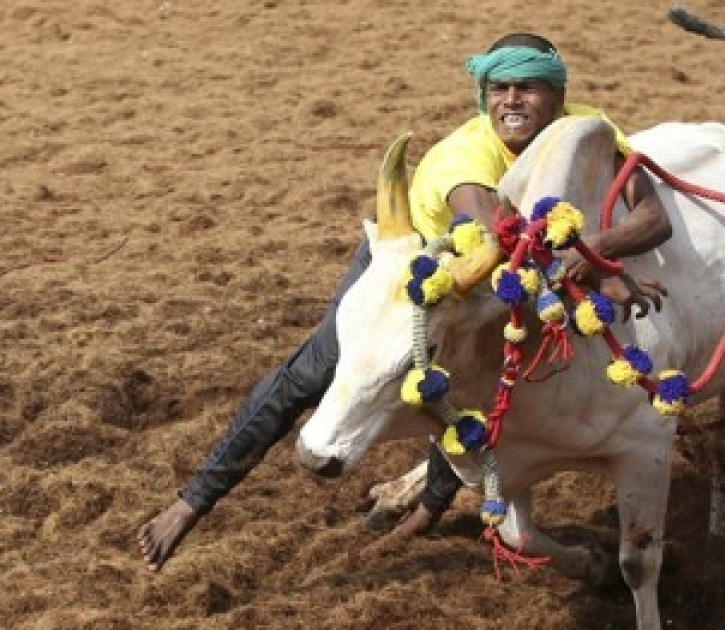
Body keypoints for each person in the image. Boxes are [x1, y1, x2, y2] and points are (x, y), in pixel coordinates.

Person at [136, 32, 671, 572]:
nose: (512, 101)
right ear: (484, 97)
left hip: (500, 275)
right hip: (413, 268)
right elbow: (498, 237)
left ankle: (432, 502)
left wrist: (599, 252)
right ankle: (190, 503)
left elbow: (654, 218)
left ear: (558, 96)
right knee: (310, 376)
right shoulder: (461, 158)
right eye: (500, 88)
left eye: (527, 88)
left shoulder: (585, 128)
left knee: (475, 384)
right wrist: (598, 278)